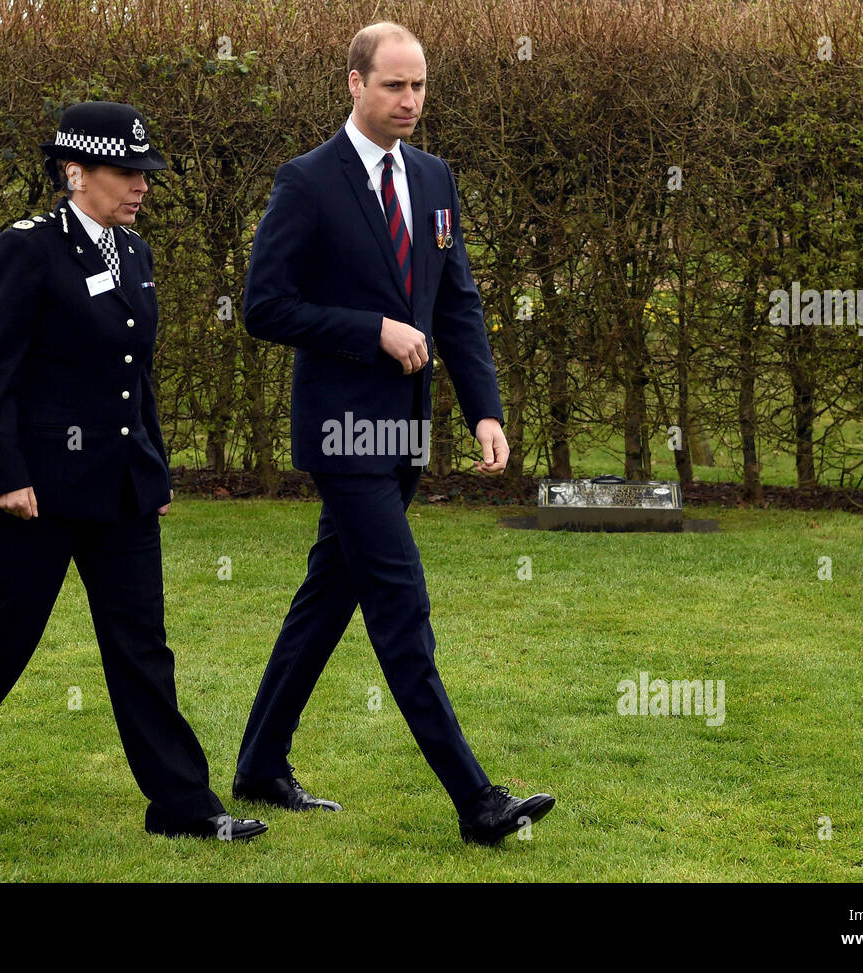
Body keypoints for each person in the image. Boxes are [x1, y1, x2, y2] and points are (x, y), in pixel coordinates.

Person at [0, 101, 266, 841]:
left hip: (121, 489)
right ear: (76, 172)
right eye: (127, 172)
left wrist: (153, 475)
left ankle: (184, 808)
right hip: (36, 490)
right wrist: (3, 474)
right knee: (4, 635)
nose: (142, 186)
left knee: (142, 646)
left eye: (146, 173)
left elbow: (137, 377)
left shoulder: (134, 252)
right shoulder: (27, 249)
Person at [234, 23, 555, 845]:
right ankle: (477, 798)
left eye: (418, 87)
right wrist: (369, 328)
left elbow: (458, 303)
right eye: (393, 86)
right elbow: (264, 306)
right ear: (354, 84)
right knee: (400, 602)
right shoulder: (306, 182)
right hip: (340, 434)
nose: (409, 101)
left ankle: (259, 764)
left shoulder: (436, 178)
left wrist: (486, 408)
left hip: (406, 435)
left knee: (325, 599)